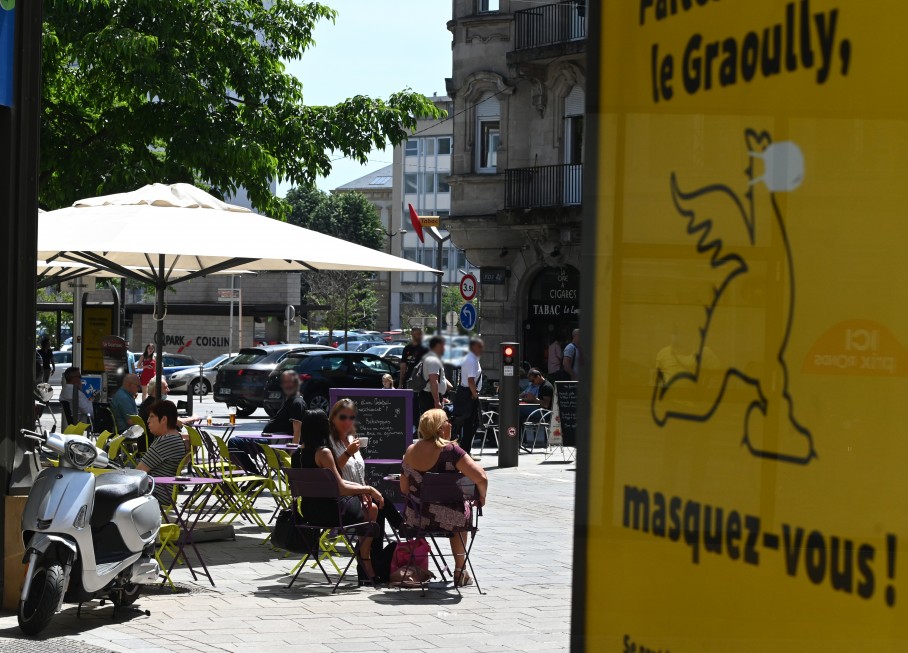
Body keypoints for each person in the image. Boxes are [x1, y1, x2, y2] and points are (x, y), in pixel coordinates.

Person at [291, 409, 384, 583]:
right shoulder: (323, 453)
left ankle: (365, 562)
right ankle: (365, 562)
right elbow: (340, 488)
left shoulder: (296, 454)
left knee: (367, 503)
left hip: (308, 513)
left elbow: (336, 484)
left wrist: (363, 488)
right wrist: (369, 490)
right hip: (332, 513)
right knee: (371, 508)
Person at [401, 409, 488, 587]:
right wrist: (482, 497)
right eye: (447, 421)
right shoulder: (451, 451)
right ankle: (460, 570)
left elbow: (404, 488)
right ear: (440, 428)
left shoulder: (410, 451)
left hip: (418, 519)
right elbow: (481, 478)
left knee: (455, 511)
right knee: (460, 511)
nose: (450, 424)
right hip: (451, 520)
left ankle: (459, 570)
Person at [137, 400, 189, 507]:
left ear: (164, 419)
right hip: (162, 492)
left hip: (154, 495)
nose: (148, 421)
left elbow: (139, 472)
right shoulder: (176, 437)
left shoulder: (166, 440)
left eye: (151, 417)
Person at [453, 337, 484, 455]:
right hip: (469, 394)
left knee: (469, 423)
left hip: (468, 393)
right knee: (470, 424)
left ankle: (465, 451)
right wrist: (475, 394)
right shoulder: (471, 359)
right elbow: (470, 380)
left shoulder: (471, 358)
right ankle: (465, 452)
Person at [263, 370, 306, 443]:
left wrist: (292, 451)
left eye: (290, 382)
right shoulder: (289, 400)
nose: (287, 385)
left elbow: (297, 431)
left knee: (237, 442)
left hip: (278, 442)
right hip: (271, 439)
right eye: (284, 382)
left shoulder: (297, 403)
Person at [416, 336, 449, 415]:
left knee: (431, 424)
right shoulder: (433, 360)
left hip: (429, 396)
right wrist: (437, 401)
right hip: (430, 398)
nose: (445, 349)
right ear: (438, 345)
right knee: (434, 425)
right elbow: (434, 380)